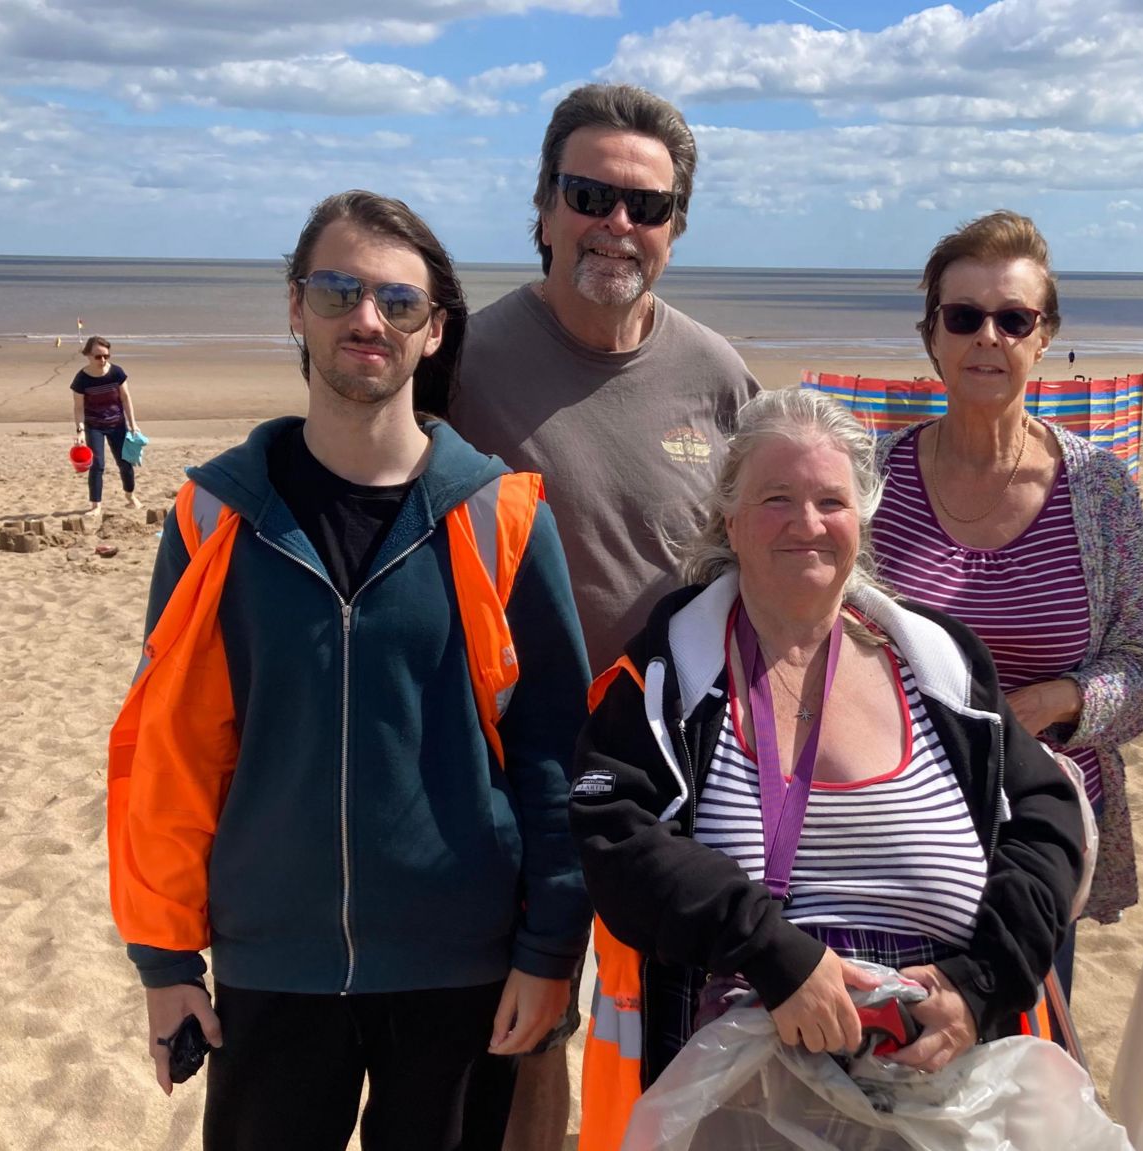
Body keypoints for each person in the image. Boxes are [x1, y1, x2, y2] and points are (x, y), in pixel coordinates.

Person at [109, 190, 593, 1150]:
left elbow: (552, 756)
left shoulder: (500, 517)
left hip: (461, 969)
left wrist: (548, 949)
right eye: (338, 292)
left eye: (396, 301)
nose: (366, 319)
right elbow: (173, 749)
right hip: (271, 960)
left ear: (432, 330)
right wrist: (165, 961)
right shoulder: (215, 517)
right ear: (297, 309)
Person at [570, 389, 1084, 1129]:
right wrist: (776, 956)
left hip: (942, 1085)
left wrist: (979, 986)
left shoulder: (940, 666)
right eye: (777, 497)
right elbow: (613, 833)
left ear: (864, 516)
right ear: (731, 519)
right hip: (739, 1100)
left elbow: (1047, 820)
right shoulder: (668, 673)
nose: (807, 524)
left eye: (830, 501)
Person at [447, 82, 758, 1151]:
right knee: (518, 1031)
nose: (616, 224)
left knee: (662, 1037)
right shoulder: (460, 363)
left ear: (675, 228)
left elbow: (749, 558)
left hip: (669, 772)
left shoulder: (715, 374)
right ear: (542, 207)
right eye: (590, 194)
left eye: (647, 206)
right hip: (502, 766)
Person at [871, 211, 1143, 998]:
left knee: (1022, 1067)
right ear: (931, 335)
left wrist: (1056, 701)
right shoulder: (868, 482)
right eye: (963, 317)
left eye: (1013, 319)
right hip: (893, 828)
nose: (987, 338)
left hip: (1040, 837)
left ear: (1045, 339)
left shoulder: (1100, 490)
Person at [71, 336, 143, 515]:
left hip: (117, 423)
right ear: (88, 355)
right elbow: (78, 408)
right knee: (97, 465)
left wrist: (133, 424)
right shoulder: (81, 379)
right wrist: (79, 431)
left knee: (125, 462)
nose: (102, 360)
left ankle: (130, 496)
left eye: (106, 356)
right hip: (94, 425)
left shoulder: (117, 373)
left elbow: (126, 398)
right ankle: (96, 506)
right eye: (98, 357)